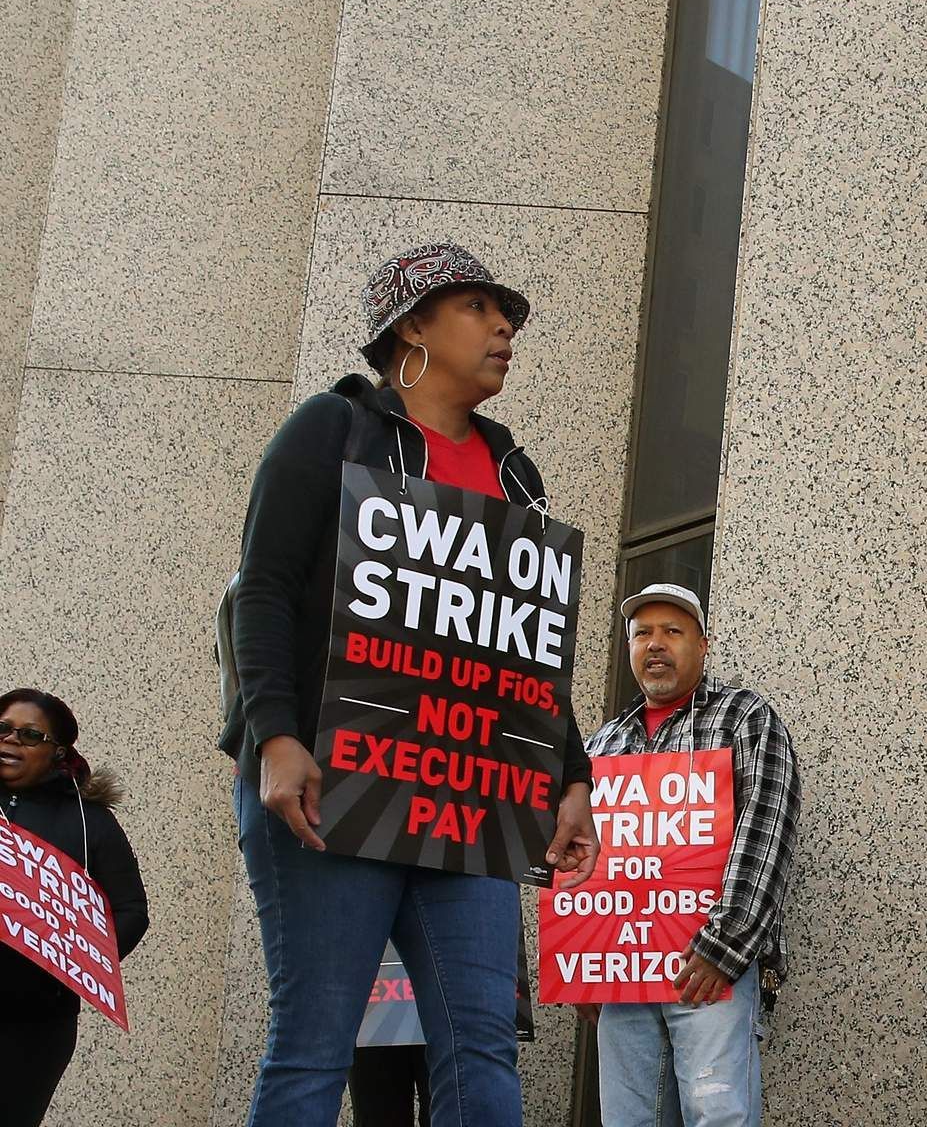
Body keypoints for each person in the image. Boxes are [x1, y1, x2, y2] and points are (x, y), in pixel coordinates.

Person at [222, 242, 599, 1126]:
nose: (504, 326)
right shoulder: (332, 428)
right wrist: (275, 734)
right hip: (332, 782)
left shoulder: (516, 474)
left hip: (466, 801)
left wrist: (571, 778)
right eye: (476, 306)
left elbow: (528, 650)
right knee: (315, 1045)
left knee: (481, 1046)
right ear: (409, 329)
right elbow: (264, 587)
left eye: (506, 312)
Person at [581, 583, 800, 1127]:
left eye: (672, 632)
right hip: (622, 974)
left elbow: (766, 832)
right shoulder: (602, 744)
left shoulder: (744, 719)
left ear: (703, 644)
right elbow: (583, 862)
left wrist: (721, 948)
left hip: (709, 968)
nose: (655, 644)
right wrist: (584, 969)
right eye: (642, 633)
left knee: (717, 1115)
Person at [0, 688, 149, 1127]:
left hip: (36, 1023)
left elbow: (131, 910)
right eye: (3, 729)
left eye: (29, 735)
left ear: (58, 753)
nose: (10, 741)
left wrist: (76, 963)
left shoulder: (91, 823)